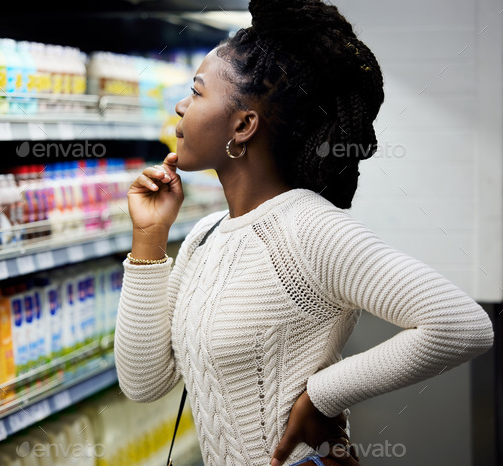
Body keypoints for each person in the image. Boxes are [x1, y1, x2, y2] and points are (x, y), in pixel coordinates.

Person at [114, 0, 495, 465]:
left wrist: (322, 395)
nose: (180, 105)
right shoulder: (206, 235)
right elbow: (143, 383)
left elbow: (462, 325)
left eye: (196, 92)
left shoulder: (308, 228)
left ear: (243, 125)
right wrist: (149, 237)